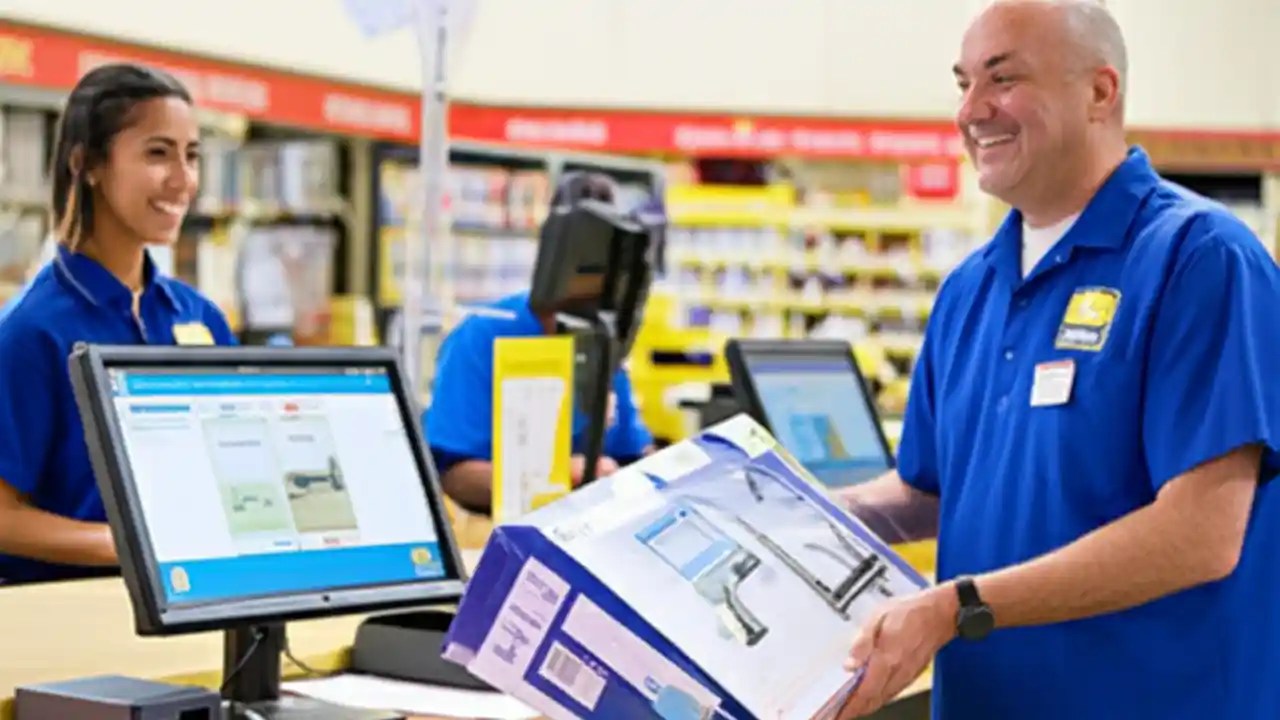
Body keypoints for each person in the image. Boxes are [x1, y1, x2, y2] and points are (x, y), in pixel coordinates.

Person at [835, 2, 1280, 719]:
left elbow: (1202, 533)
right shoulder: (971, 289)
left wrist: (961, 606)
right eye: (963, 83)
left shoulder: (1199, 260)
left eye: (1003, 79)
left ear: (1101, 92)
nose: (973, 110)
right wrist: (792, 511)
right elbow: (932, 491)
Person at [0, 63, 236, 585]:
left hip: (197, 600)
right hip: (70, 620)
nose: (183, 179)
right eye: (158, 153)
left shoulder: (201, 318)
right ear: (88, 164)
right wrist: (131, 543)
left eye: (191, 155)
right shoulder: (30, 331)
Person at [424, 172, 656, 515]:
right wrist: (559, 479)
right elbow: (451, 475)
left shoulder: (604, 336)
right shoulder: (484, 335)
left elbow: (632, 451)